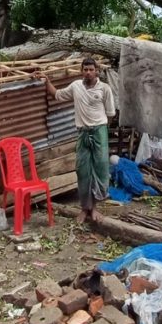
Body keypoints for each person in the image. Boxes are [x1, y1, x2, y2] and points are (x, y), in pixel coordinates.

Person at [43, 57, 116, 223]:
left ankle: (95, 208)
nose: (88, 72)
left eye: (91, 69)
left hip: (99, 131)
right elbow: (57, 95)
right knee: (82, 170)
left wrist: (101, 130)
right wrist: (46, 81)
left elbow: (111, 114)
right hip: (82, 133)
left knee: (100, 170)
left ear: (97, 71)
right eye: (85, 69)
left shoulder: (105, 89)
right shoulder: (76, 86)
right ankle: (84, 208)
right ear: (81, 71)